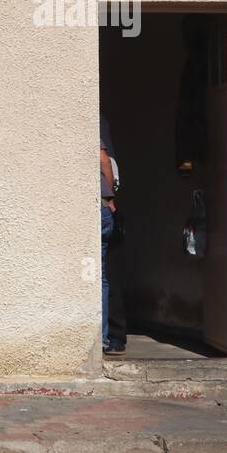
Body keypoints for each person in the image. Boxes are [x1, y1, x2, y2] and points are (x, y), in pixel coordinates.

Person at [100, 115, 126, 354]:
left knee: (101, 275)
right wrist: (109, 198)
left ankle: (106, 338)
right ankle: (109, 339)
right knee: (105, 274)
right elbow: (106, 161)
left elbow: (104, 159)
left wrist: (107, 197)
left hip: (100, 204)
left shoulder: (97, 119)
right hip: (104, 205)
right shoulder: (101, 119)